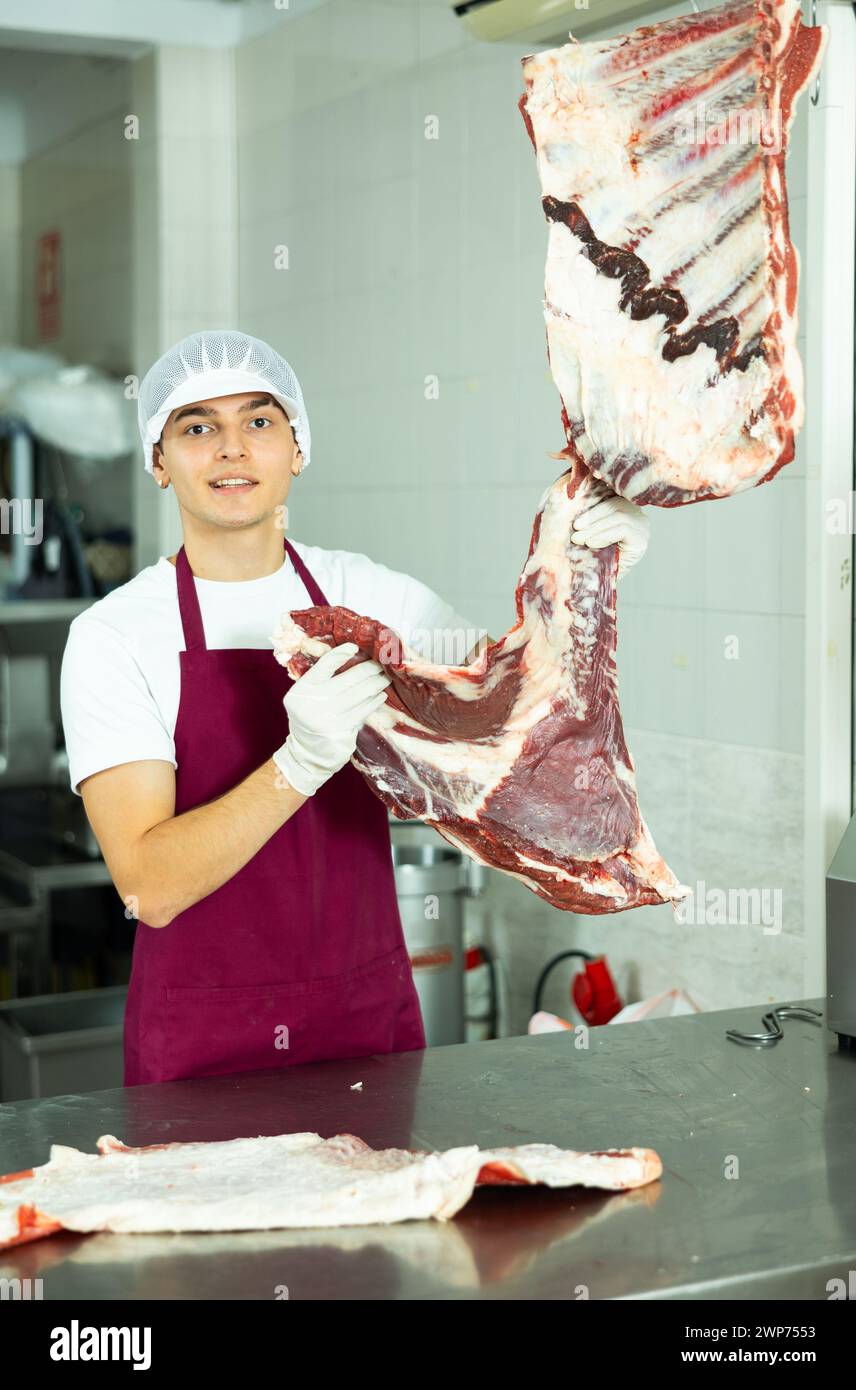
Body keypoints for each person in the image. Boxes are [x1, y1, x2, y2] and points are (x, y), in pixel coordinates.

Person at [60, 329, 648, 1086]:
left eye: (260, 421)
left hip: (363, 1026)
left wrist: (588, 571)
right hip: (202, 1049)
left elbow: (520, 715)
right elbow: (151, 885)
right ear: (159, 461)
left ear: (297, 450)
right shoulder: (114, 635)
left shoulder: (373, 595)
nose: (232, 448)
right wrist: (297, 765)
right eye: (198, 426)